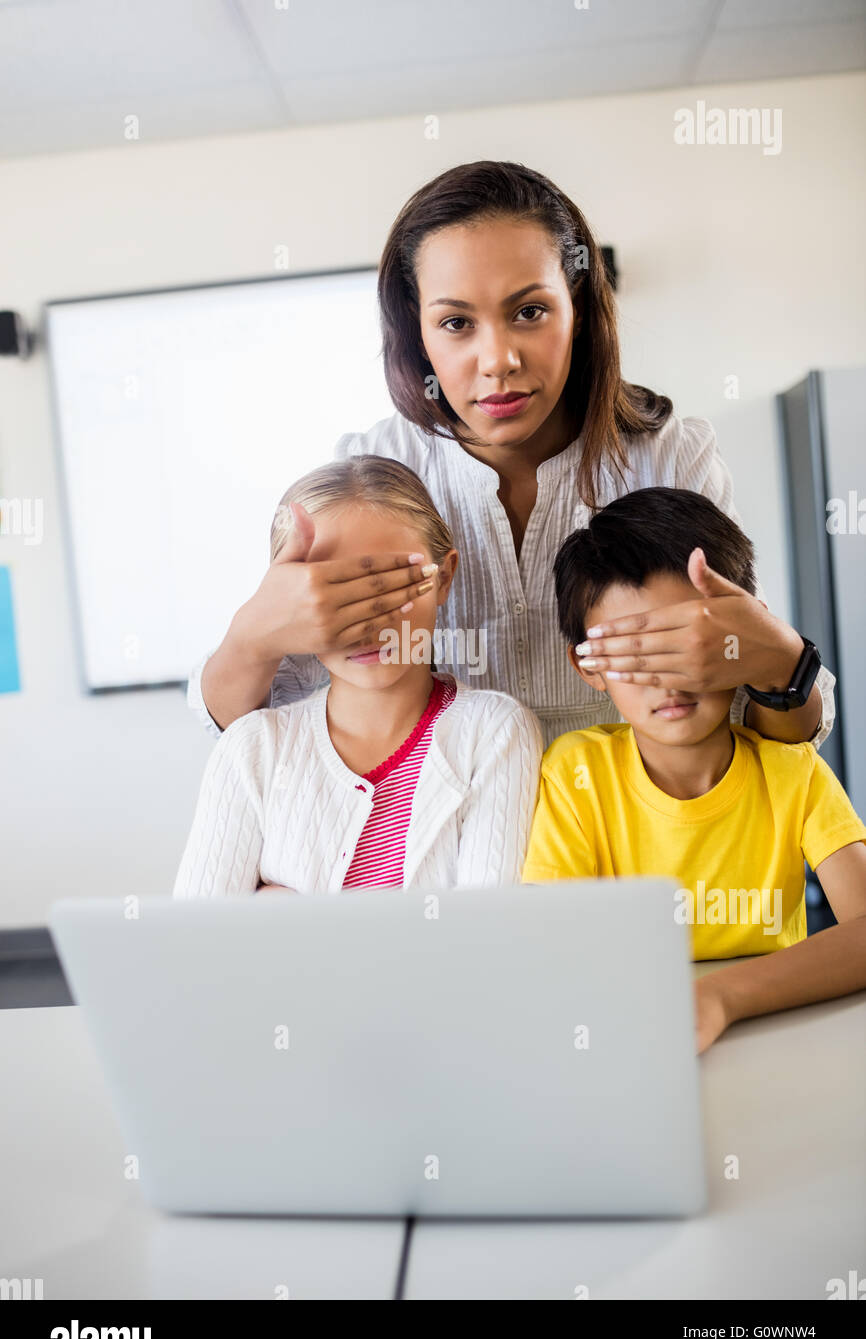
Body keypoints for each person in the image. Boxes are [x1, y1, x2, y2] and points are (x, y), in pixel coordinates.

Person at [187, 160, 835, 753]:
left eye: (529, 311)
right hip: (447, 866)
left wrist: (779, 660)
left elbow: (784, 733)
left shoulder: (669, 458)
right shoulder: (373, 471)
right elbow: (243, 731)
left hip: (637, 860)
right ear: (416, 330)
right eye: (456, 323)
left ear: (577, 310)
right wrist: (255, 636)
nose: (498, 359)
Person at [520, 487, 866, 1053]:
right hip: (634, 1041)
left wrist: (722, 997)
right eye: (635, 652)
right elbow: (550, 950)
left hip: (780, 1034)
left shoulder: (790, 769)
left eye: (685, 645)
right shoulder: (577, 774)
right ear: (588, 667)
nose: (667, 679)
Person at [173, 456, 543, 897]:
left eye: (391, 584)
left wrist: (287, 916)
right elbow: (199, 949)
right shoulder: (253, 749)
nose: (370, 623)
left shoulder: (494, 732)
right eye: (333, 595)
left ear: (443, 577)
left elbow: (482, 943)